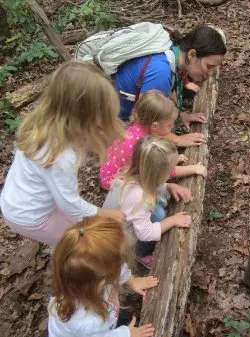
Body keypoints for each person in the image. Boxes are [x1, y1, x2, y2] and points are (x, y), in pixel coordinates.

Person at [0, 61, 126, 247]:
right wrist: (104, 213)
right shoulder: (62, 156)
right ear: (84, 117)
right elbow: (71, 206)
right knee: (80, 245)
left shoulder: (41, 124)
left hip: (16, 201)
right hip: (31, 216)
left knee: (77, 228)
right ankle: (83, 273)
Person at [113, 25, 227, 146]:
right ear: (192, 55)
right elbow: (146, 124)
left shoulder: (173, 52)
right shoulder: (160, 73)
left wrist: (180, 115)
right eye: (209, 66)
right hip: (117, 125)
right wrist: (178, 140)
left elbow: (171, 87)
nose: (210, 74)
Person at [48, 216, 158, 337]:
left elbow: (116, 265)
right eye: (118, 263)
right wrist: (125, 334)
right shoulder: (89, 323)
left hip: (104, 315)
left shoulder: (82, 276)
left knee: (120, 317)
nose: (122, 264)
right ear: (102, 280)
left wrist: (131, 280)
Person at [104, 136, 192, 268]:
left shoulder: (133, 174)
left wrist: (168, 187)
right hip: (119, 239)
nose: (170, 174)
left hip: (117, 225)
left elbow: (152, 186)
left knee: (157, 211)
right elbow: (145, 233)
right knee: (160, 216)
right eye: (169, 171)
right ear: (156, 175)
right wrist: (172, 221)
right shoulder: (138, 197)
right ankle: (141, 253)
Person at [100, 90, 207, 190]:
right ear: (155, 126)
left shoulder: (139, 127)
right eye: (170, 125)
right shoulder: (146, 144)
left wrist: (172, 160)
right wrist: (194, 169)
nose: (173, 127)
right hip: (117, 184)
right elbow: (160, 172)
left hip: (111, 172)